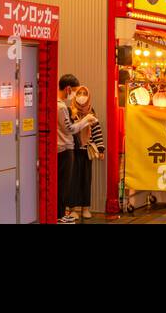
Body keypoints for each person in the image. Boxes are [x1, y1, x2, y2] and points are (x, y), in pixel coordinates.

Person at [56, 75, 97, 223]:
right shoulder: (61, 107)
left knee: (64, 183)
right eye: (74, 91)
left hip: (63, 148)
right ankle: (59, 215)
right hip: (64, 149)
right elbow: (70, 129)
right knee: (63, 184)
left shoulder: (59, 105)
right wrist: (86, 120)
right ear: (68, 89)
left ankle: (60, 214)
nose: (74, 95)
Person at [67, 85, 105, 220]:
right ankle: (72, 209)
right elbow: (67, 130)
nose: (82, 96)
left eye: (84, 93)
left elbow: (96, 131)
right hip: (72, 151)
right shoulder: (70, 112)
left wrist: (100, 148)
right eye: (79, 93)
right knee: (72, 181)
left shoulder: (91, 112)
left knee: (86, 180)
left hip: (86, 152)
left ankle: (85, 208)